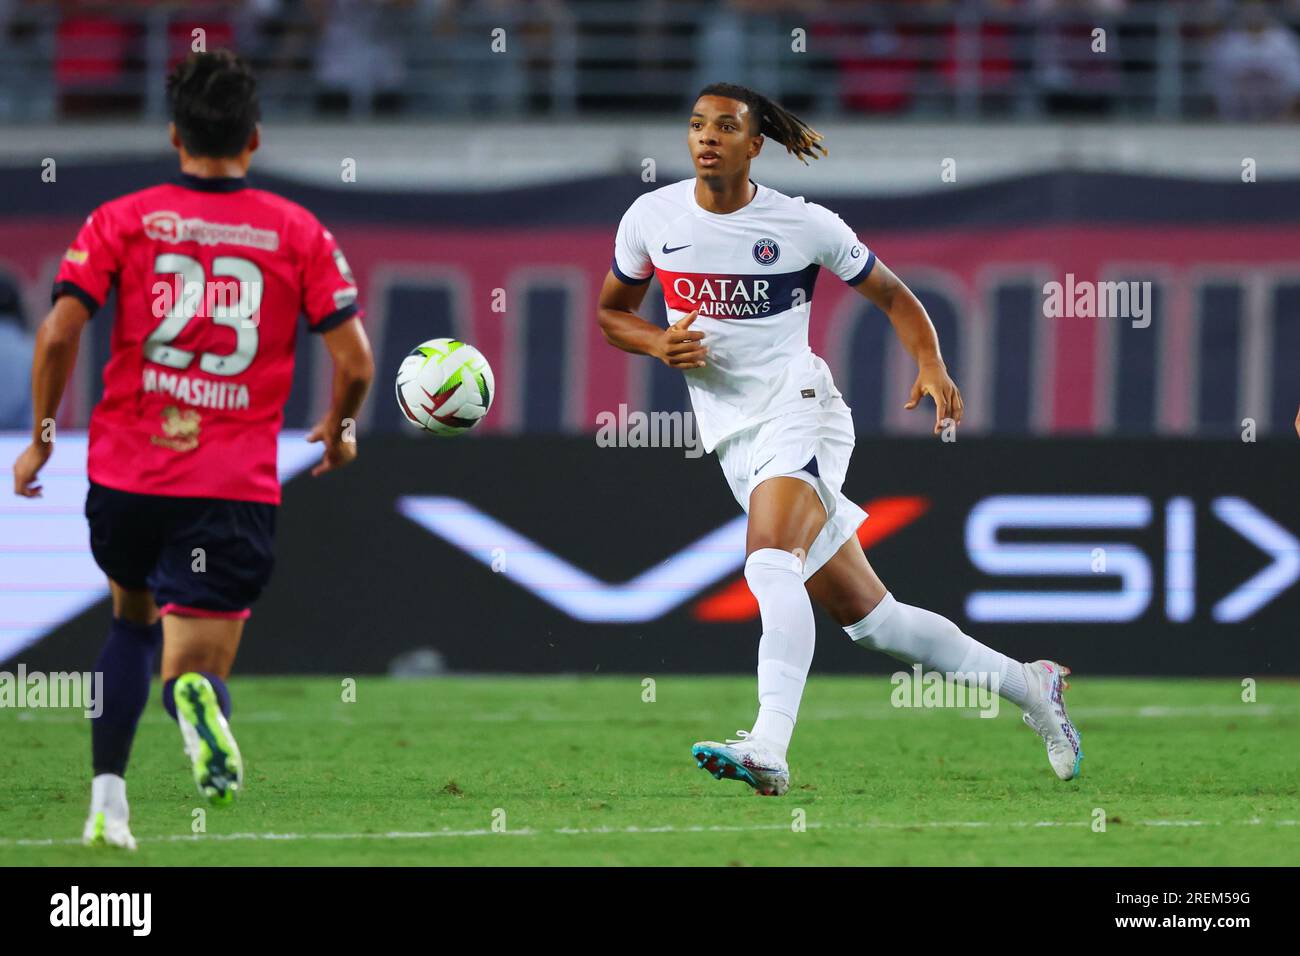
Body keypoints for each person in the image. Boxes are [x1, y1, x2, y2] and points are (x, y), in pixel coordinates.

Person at [596, 83, 1081, 796]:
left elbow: (893, 295)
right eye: (697, 124)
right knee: (875, 622)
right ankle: (1033, 687)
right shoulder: (650, 217)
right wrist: (656, 341)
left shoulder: (801, 225)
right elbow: (613, 313)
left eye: (726, 127)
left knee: (768, 566)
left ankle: (767, 745)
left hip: (802, 410)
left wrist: (931, 363)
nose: (707, 137)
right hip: (732, 436)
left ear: (755, 143)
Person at [11, 50, 375, 848]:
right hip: (230, 485)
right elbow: (356, 362)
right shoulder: (297, 231)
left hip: (127, 473)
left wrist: (40, 441)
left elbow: (58, 332)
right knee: (196, 667)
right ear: (255, 138)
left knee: (130, 621)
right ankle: (196, 703)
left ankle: (108, 798)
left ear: (175, 134)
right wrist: (340, 429)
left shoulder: (122, 218)